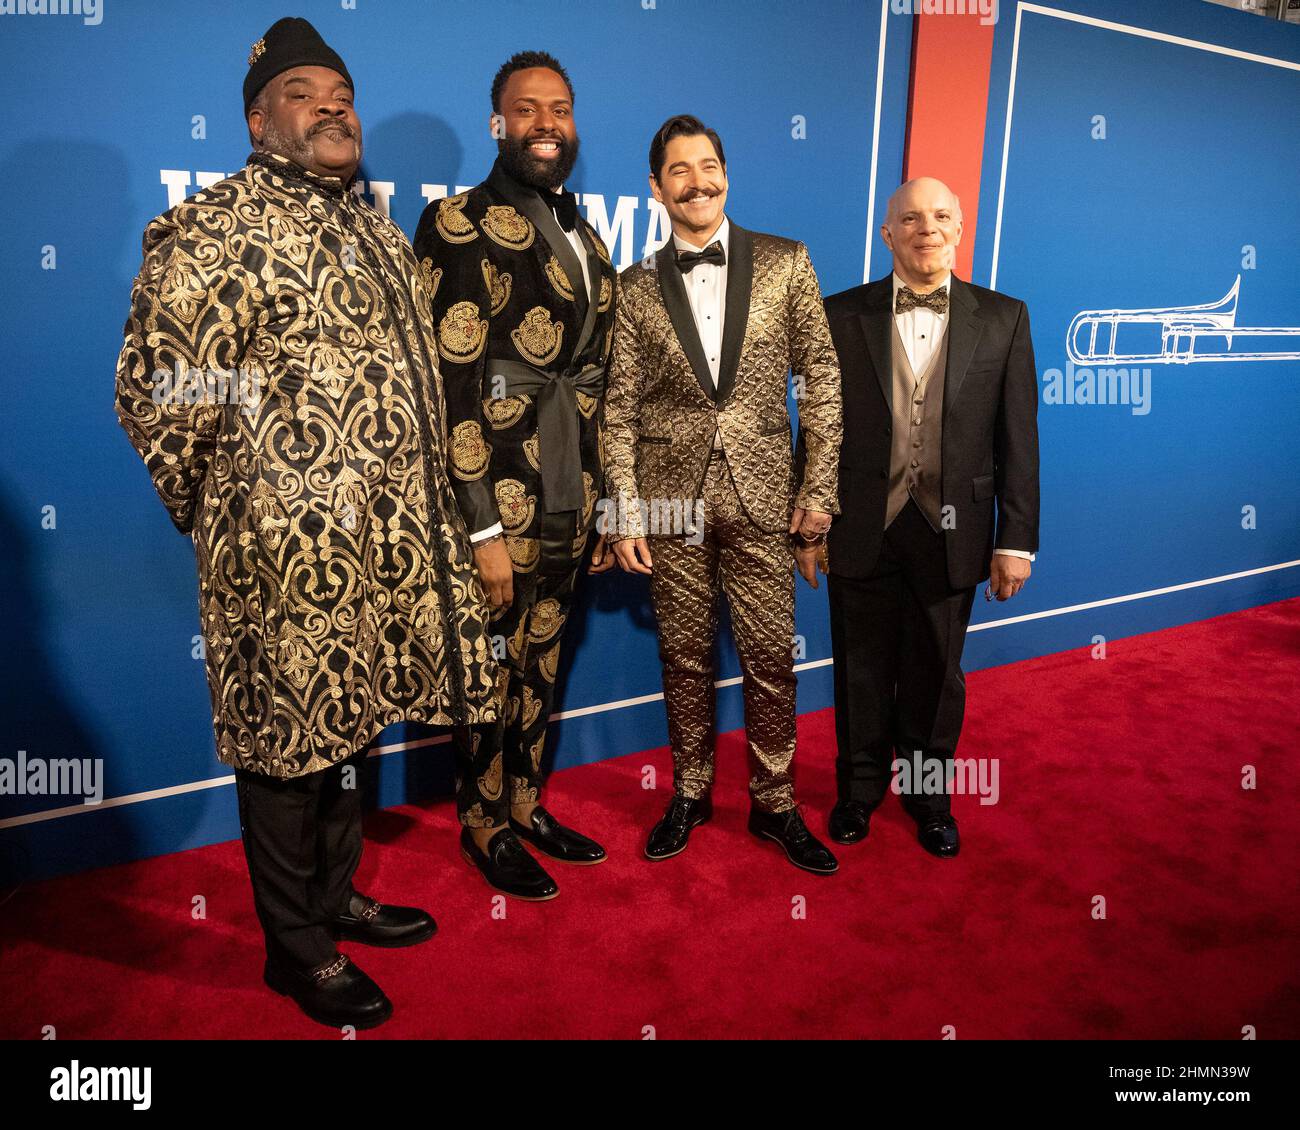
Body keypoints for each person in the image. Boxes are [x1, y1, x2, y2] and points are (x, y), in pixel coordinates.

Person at [114, 17, 497, 1029]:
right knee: (284, 743)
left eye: (340, 89)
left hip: (376, 546)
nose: (331, 104)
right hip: (280, 556)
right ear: (255, 119)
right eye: (302, 92)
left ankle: (335, 897)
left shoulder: (372, 229)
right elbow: (156, 390)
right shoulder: (213, 229)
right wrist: (247, 502)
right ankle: (298, 950)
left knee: (343, 718)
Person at [604, 115, 842, 875]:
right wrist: (623, 512)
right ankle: (691, 792)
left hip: (766, 499)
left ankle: (775, 804)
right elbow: (617, 407)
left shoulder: (786, 261)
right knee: (683, 657)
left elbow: (823, 380)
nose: (696, 181)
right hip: (669, 506)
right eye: (679, 170)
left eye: (708, 165)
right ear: (656, 186)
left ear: (726, 174)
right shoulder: (632, 287)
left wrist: (819, 489)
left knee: (773, 656)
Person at [413, 51, 617, 901]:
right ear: (497, 124)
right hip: (495, 499)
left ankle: (527, 802)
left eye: (559, 109)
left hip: (570, 492)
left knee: (542, 661)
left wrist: (601, 505)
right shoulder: (457, 221)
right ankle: (483, 822)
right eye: (526, 109)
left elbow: (598, 384)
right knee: (489, 666)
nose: (546, 123)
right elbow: (450, 390)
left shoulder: (587, 232)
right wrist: (481, 528)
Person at [820, 177, 1040, 858]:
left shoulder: (1005, 318)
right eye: (910, 217)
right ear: (888, 234)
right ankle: (858, 791)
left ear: (960, 227)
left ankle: (927, 796)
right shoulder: (839, 314)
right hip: (861, 522)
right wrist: (809, 521)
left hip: (955, 530)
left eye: (941, 215)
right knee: (859, 667)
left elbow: (1019, 439)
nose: (927, 227)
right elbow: (820, 433)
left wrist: (1018, 542)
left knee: (937, 672)